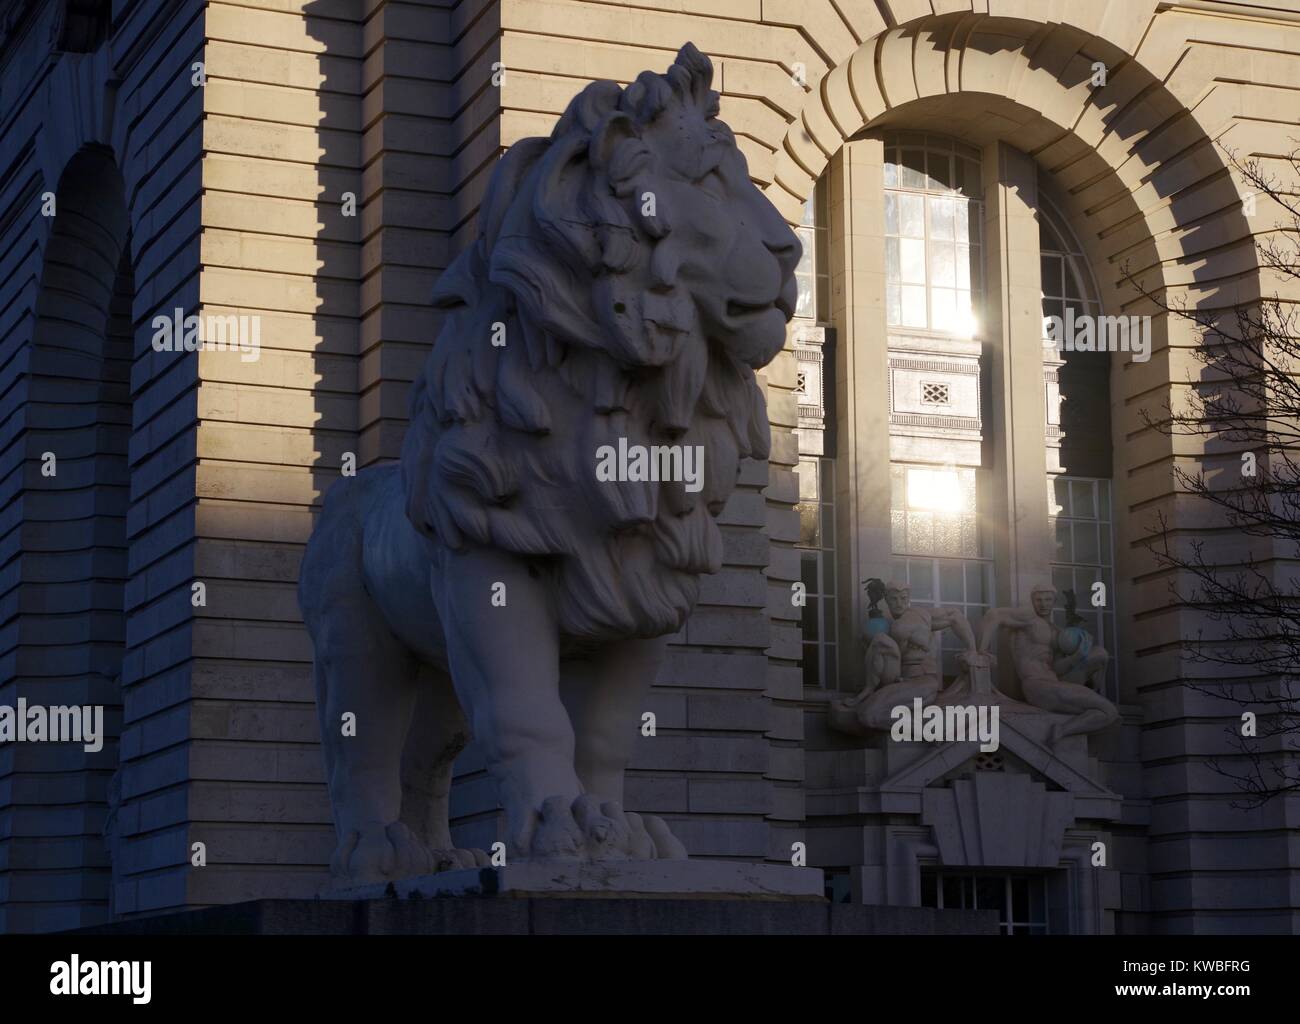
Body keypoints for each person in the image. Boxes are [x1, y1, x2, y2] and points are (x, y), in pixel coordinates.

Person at [978, 584, 1118, 743]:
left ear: (1054, 602)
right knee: (1106, 710)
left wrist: (1077, 656)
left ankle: (1061, 730)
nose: (1043, 604)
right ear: (1032, 601)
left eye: (1048, 600)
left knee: (1109, 710)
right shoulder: (1028, 619)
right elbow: (993, 615)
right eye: (1038, 600)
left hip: (1053, 683)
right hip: (1036, 685)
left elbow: (1057, 669)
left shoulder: (1057, 632)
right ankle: (1059, 732)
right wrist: (981, 650)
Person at [837, 580, 980, 731]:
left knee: (869, 714)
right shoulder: (889, 628)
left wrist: (973, 650)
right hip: (903, 682)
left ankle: (932, 730)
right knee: (866, 714)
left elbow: (955, 616)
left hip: (924, 683)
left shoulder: (920, 615)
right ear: (886, 600)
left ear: (909, 598)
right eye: (894, 599)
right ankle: (869, 691)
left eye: (904, 598)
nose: (899, 603)